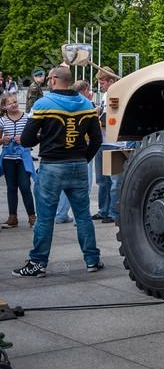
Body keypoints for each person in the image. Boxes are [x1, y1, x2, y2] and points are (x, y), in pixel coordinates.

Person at [12, 66, 103, 277]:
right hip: (78, 165)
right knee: (83, 216)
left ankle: (38, 264)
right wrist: (83, 159)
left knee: (45, 218)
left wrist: (43, 138)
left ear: (53, 80)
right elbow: (97, 140)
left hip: (52, 166)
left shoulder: (43, 104)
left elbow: (26, 140)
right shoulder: (87, 104)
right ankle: (92, 260)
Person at [53, 80, 95, 225]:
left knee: (66, 184)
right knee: (83, 184)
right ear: (85, 90)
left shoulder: (64, 103)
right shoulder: (86, 104)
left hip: (66, 146)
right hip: (82, 147)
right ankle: (80, 217)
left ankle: (61, 214)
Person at [0, 92, 36, 229]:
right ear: (4, 107)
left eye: (14, 101)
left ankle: (32, 217)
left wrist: (24, 139)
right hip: (8, 159)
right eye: (9, 103)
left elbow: (34, 137)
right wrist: (3, 140)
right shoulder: (2, 121)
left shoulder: (27, 118)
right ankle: (12, 217)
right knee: (11, 188)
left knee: (25, 186)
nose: (13, 105)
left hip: (23, 158)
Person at [94, 67, 123, 223]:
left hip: (115, 143)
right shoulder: (106, 95)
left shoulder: (118, 93)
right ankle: (103, 211)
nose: (100, 86)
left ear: (111, 81)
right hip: (103, 142)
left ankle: (113, 213)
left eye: (102, 82)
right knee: (102, 181)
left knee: (114, 183)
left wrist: (97, 118)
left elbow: (113, 117)